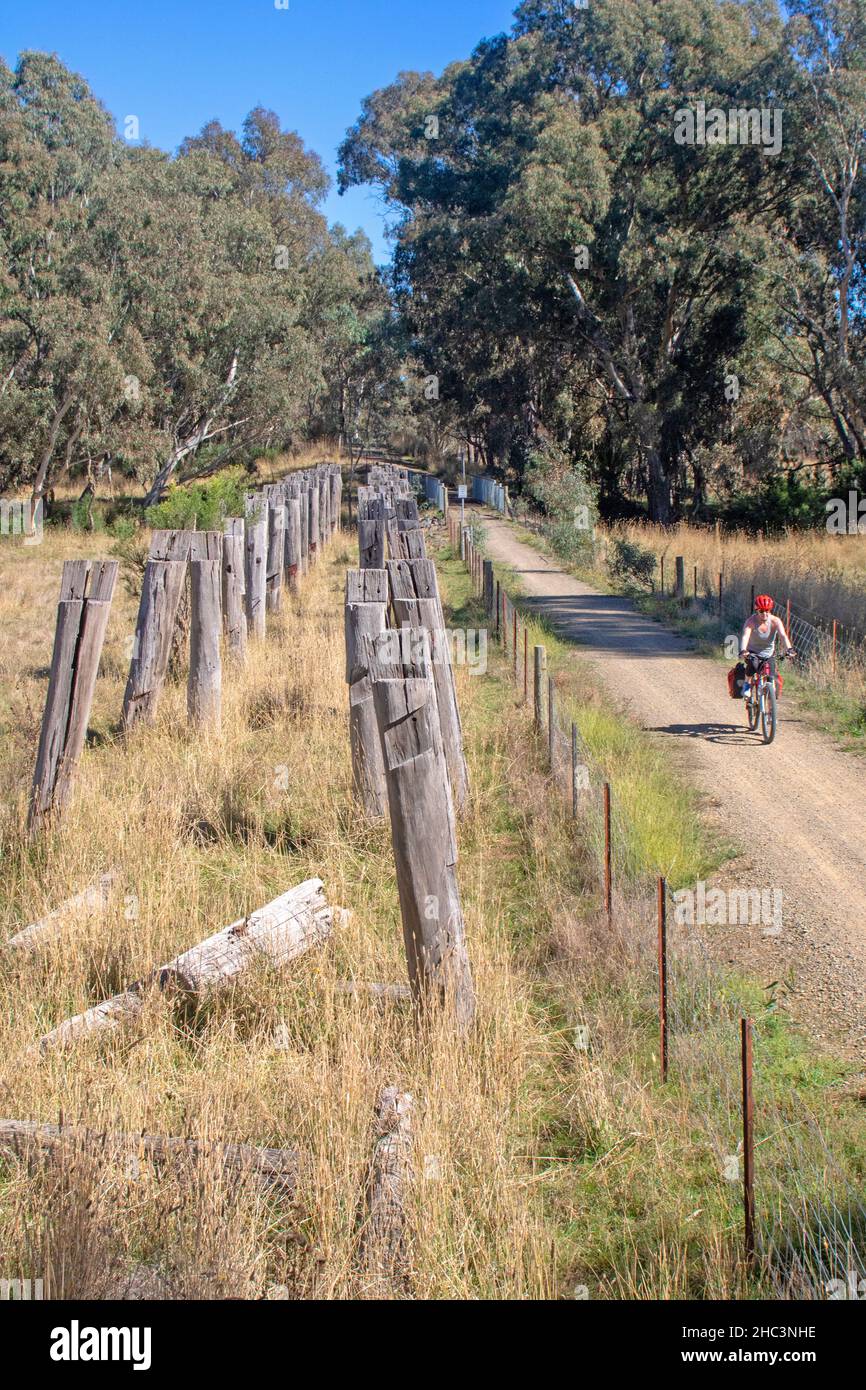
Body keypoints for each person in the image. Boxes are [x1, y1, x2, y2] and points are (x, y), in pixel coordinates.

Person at [739, 594, 794, 694]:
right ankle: (747, 684)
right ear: (757, 610)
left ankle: (770, 702)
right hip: (753, 653)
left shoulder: (775, 621)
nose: (764, 614)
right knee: (751, 667)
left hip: (769, 654)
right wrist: (743, 650)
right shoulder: (751, 622)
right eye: (761, 611)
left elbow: (783, 636)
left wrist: (789, 649)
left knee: (771, 676)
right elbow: (745, 636)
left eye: (767, 611)